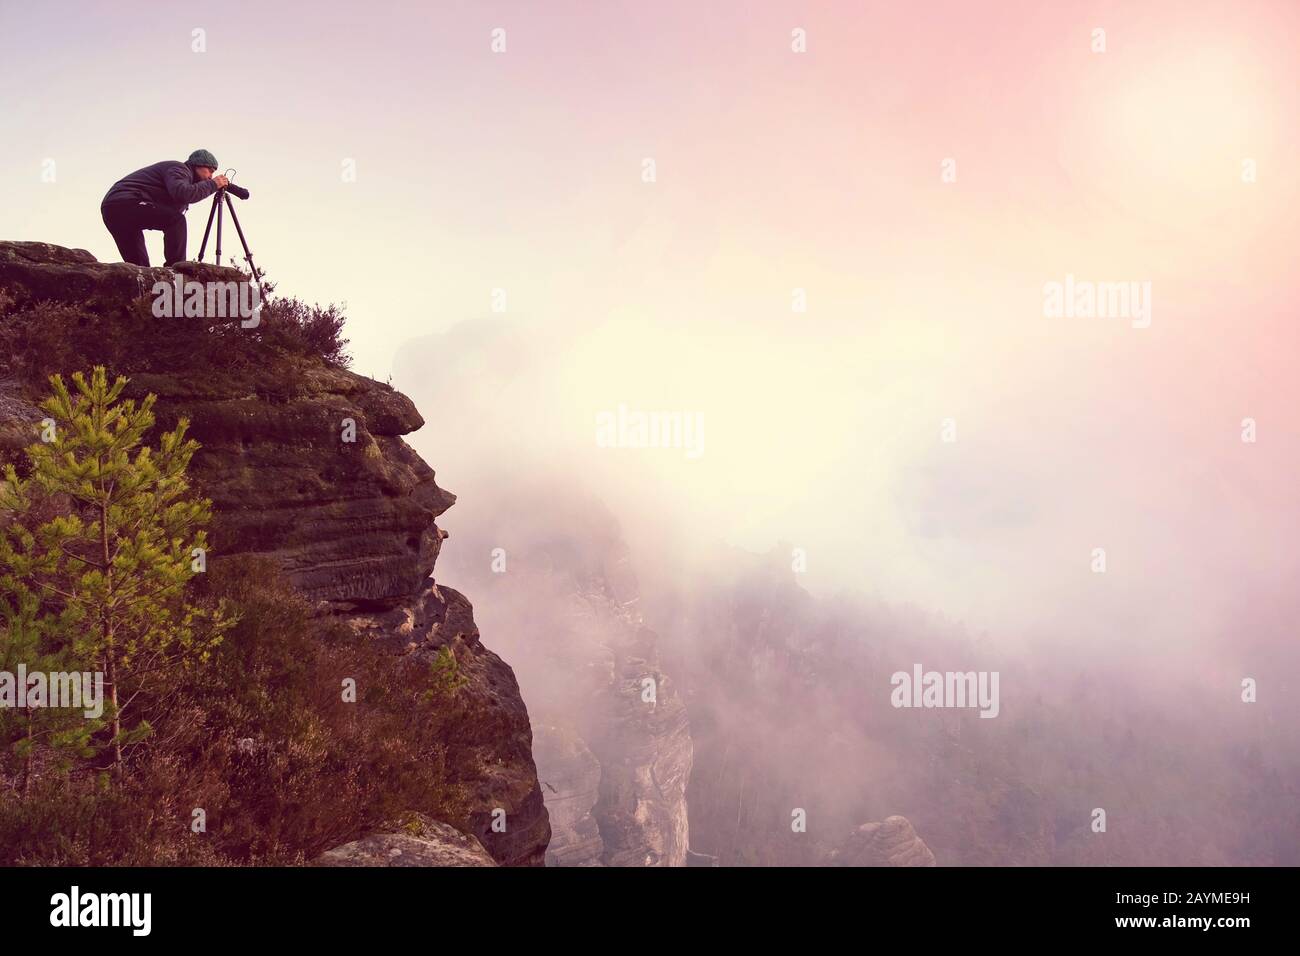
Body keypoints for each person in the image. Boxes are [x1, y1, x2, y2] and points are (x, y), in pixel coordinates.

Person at [100, 149, 229, 267]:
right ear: (197, 165)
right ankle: (177, 270)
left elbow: (174, 204)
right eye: (210, 171)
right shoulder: (179, 169)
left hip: (112, 209)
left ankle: (148, 290)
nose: (211, 176)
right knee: (176, 220)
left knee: (139, 268)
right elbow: (182, 193)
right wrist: (213, 184)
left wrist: (210, 185)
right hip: (127, 201)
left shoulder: (181, 176)